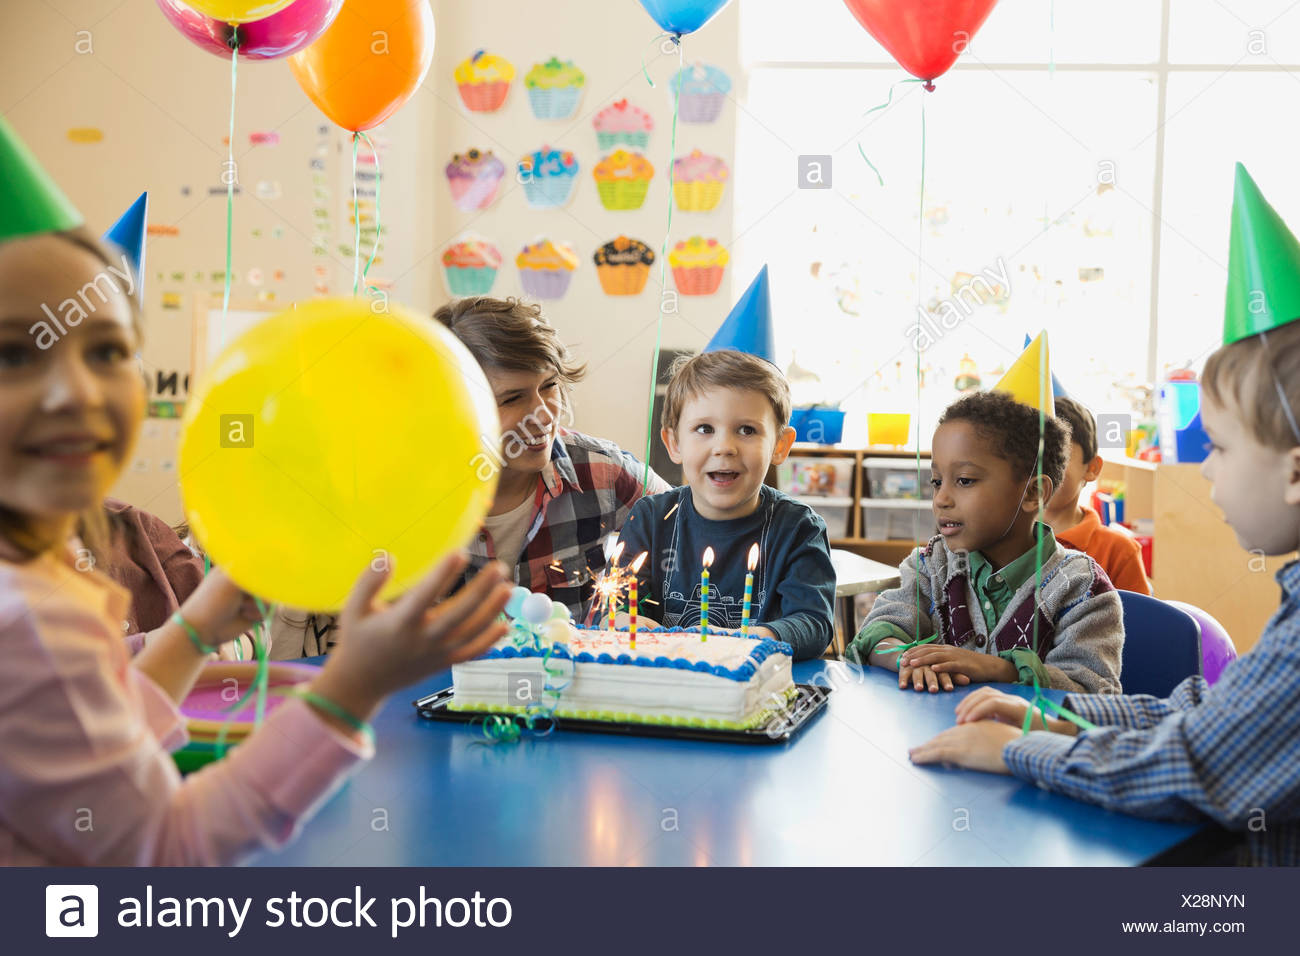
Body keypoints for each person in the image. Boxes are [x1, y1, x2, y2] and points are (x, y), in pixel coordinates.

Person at [847, 391, 1123, 694]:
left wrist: (998, 670)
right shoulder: (931, 563)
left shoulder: (1082, 588)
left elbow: (1093, 693)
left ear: (1033, 494)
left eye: (965, 480)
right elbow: (877, 631)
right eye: (937, 481)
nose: (941, 499)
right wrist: (904, 659)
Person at [618, 349, 834, 660]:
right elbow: (617, 606)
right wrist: (629, 623)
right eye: (704, 429)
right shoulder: (650, 519)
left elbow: (813, 623)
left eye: (747, 430)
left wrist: (752, 639)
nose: (724, 447)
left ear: (780, 445)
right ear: (674, 444)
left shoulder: (799, 528)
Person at [1044, 396, 1152, 594]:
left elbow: (1138, 623)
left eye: (1058, 457)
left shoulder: (1119, 551)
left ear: (1091, 468)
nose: (1042, 469)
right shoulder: (1002, 537)